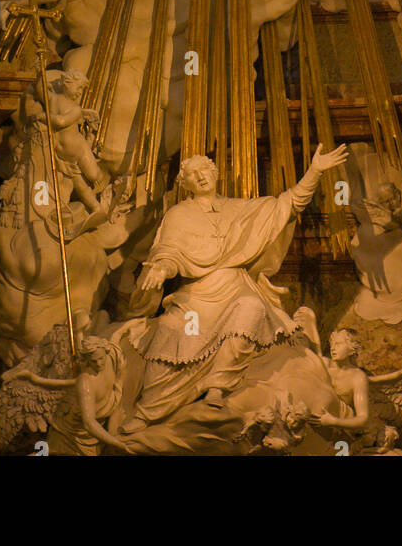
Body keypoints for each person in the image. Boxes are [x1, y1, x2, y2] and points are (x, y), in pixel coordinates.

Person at [122, 143, 348, 428]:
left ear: (215, 173)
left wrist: (314, 171)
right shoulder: (179, 214)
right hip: (197, 296)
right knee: (170, 330)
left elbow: (288, 203)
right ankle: (148, 411)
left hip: (237, 290)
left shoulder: (241, 209)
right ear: (185, 184)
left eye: (205, 169)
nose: (201, 176)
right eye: (192, 174)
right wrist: (161, 268)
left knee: (251, 308)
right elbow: (169, 250)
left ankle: (218, 385)